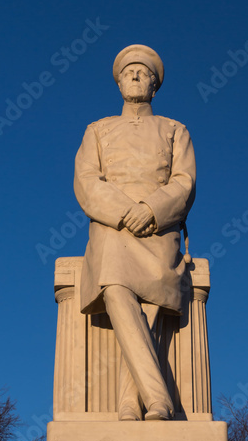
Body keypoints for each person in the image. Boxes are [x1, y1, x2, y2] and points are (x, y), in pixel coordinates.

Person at [74, 44, 196, 420]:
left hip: (160, 228)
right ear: (119, 83)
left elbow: (184, 182)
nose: (136, 77)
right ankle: (158, 398)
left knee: (157, 292)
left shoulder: (175, 130)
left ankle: (131, 401)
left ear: (155, 86)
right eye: (129, 72)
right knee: (114, 286)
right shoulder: (98, 129)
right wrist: (126, 212)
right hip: (114, 226)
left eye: (144, 73)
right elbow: (86, 180)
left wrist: (151, 211)